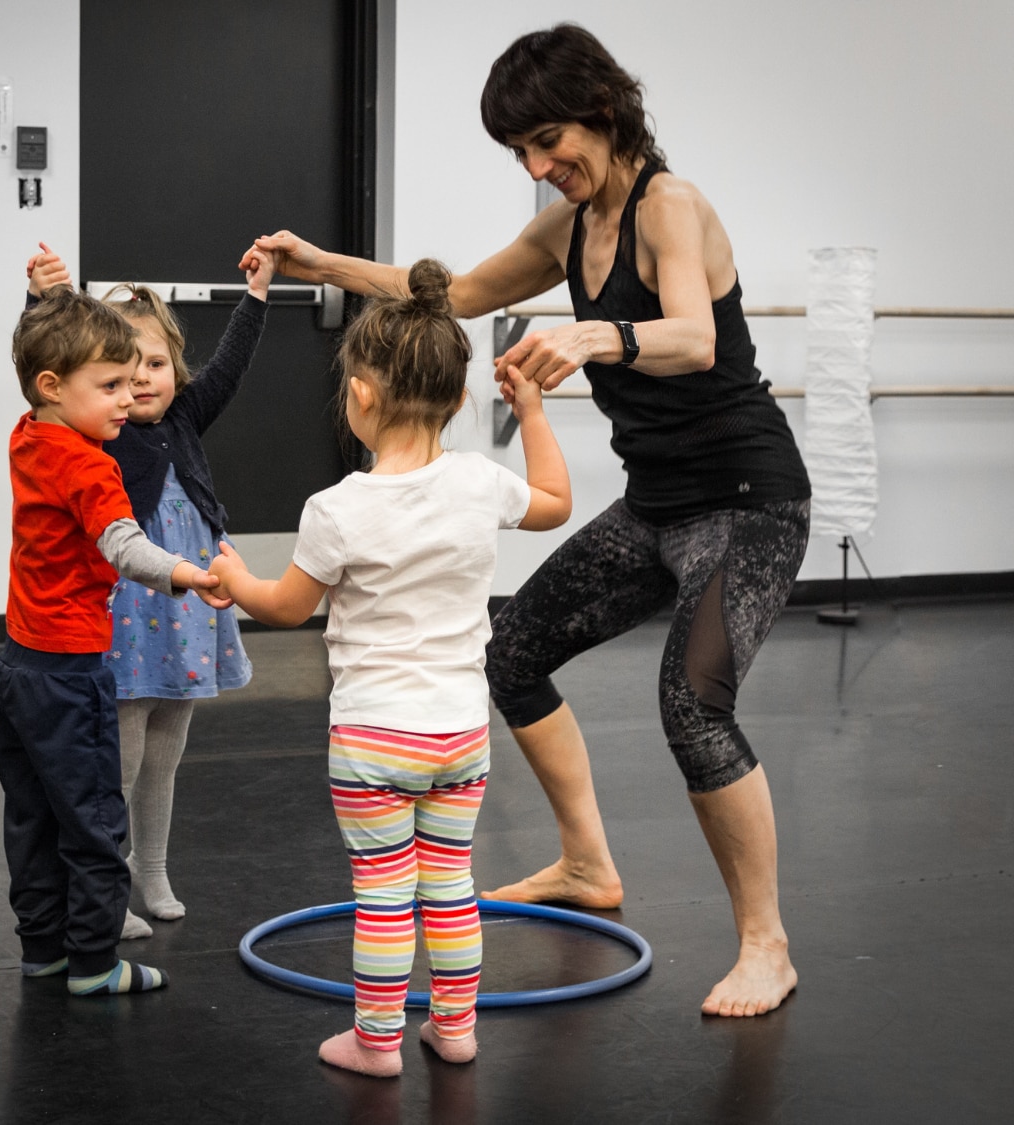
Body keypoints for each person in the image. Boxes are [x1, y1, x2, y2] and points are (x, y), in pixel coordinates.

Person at [250, 23, 811, 1018]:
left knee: (693, 702)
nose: (538, 168)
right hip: (656, 504)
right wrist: (320, 265)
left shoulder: (667, 206)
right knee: (508, 655)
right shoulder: (566, 229)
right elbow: (455, 295)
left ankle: (764, 945)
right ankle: (586, 865)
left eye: (547, 142)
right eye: (521, 153)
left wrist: (595, 330)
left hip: (748, 503)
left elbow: (688, 336)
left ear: (601, 110)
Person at [209, 259, 570, 1075]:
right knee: (449, 887)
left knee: (382, 896)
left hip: (374, 740)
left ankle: (375, 1043)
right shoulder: (481, 483)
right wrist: (535, 411)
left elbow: (286, 606)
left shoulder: (337, 509)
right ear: (460, 398)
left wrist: (232, 580)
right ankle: (457, 1029)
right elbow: (553, 499)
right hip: (459, 736)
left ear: (361, 397)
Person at [22, 242, 273, 939]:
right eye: (122, 374)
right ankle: (103, 881)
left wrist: (257, 293)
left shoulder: (187, 415)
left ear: (175, 369)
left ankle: (151, 867)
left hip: (187, 606)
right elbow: (46, 358)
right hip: (130, 607)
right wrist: (47, 297)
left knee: (169, 743)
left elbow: (230, 367)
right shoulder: (93, 435)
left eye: (155, 366)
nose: (140, 385)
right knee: (122, 750)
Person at [0, 286, 229, 996]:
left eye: (132, 381)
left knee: (31, 816)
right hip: (71, 671)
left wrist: (45, 297)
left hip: (15, 669)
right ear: (53, 386)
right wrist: (186, 572)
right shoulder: (93, 465)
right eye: (111, 385)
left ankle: (44, 948)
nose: (127, 399)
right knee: (96, 818)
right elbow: (125, 545)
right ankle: (94, 961)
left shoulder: (29, 434)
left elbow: (43, 350)